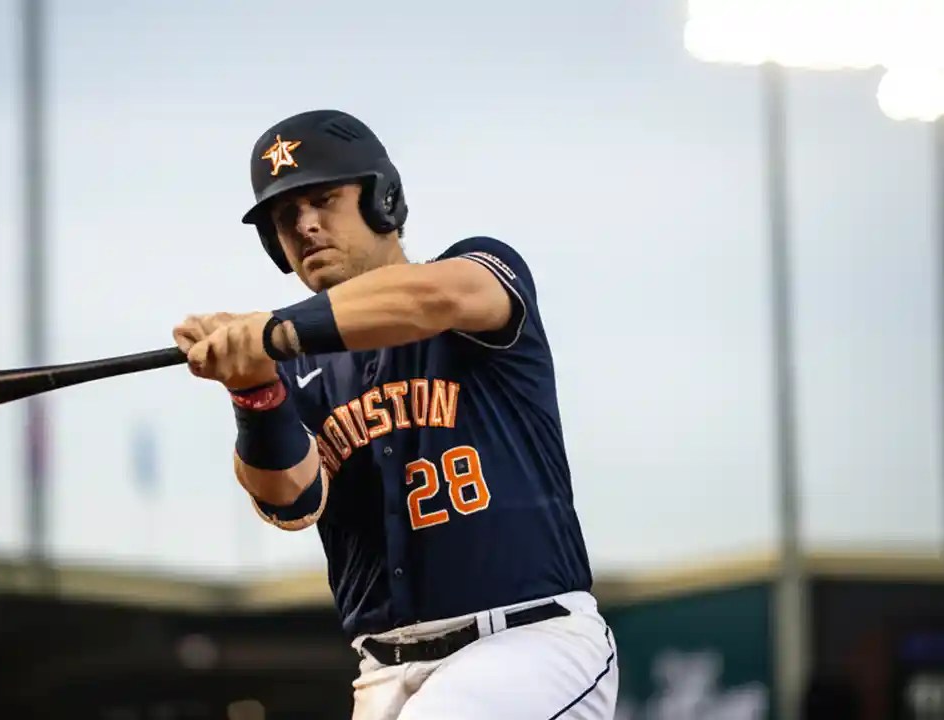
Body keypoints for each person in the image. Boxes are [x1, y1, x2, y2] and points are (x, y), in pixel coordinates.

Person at [172, 109, 618, 719]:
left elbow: (436, 297)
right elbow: (291, 500)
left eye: (323, 199)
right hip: (382, 672)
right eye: (284, 216)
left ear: (383, 199)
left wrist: (271, 331)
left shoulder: (476, 271)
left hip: (525, 642)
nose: (304, 225)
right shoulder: (298, 366)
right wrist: (253, 390)